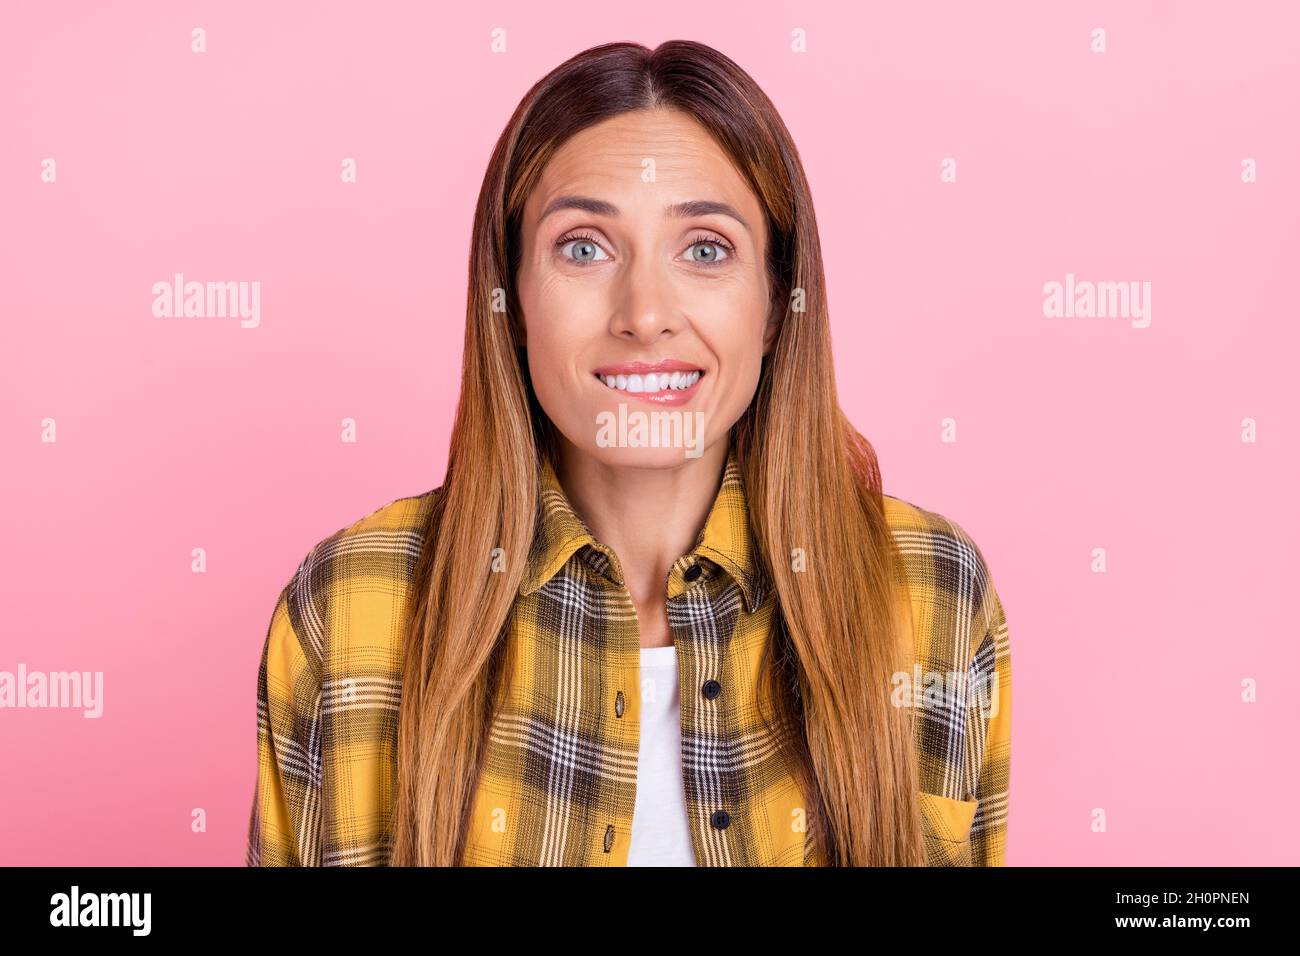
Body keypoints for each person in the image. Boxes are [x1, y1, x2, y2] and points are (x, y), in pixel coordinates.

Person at [246, 39, 1011, 868]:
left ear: (776, 305)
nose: (645, 314)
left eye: (706, 249)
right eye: (584, 247)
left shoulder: (932, 592)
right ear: (510, 299)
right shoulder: (351, 606)